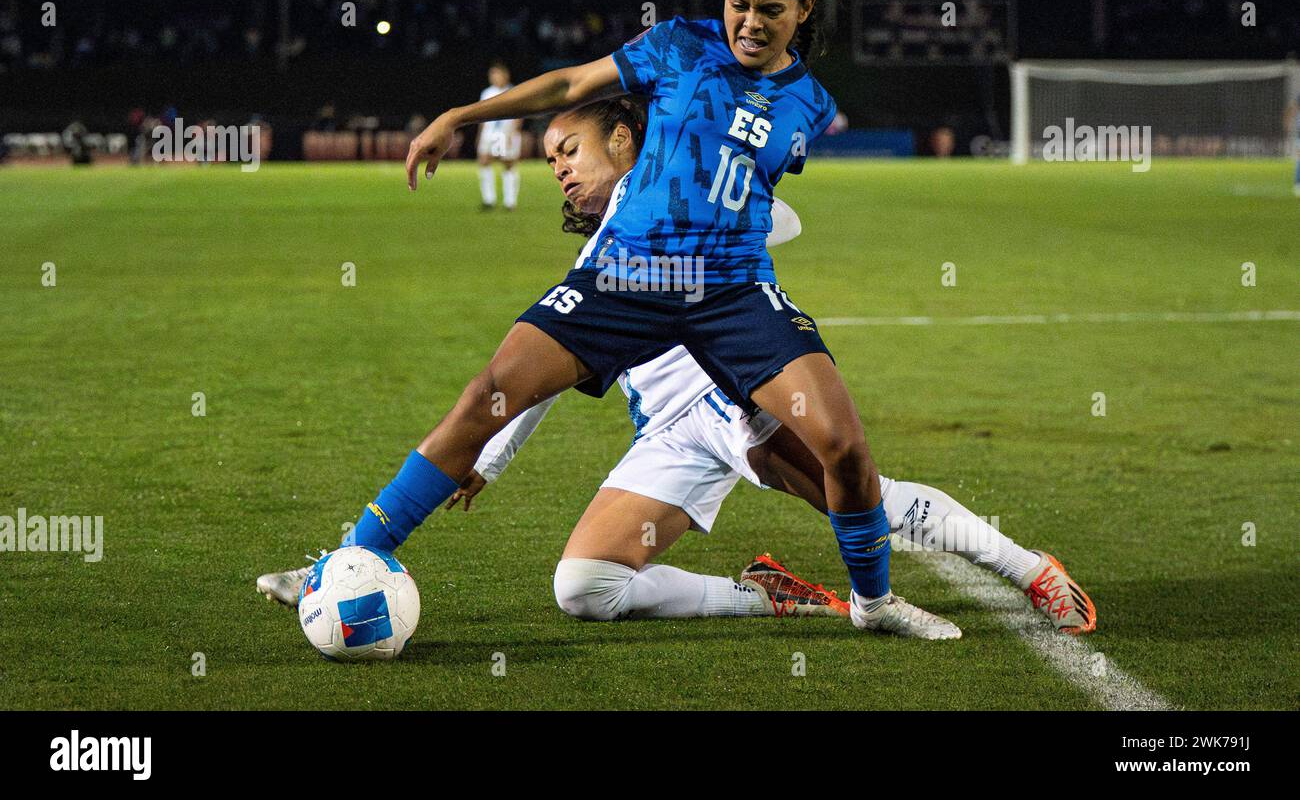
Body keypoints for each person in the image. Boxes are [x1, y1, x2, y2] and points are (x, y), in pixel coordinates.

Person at [258, 98, 1095, 634]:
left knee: (858, 492)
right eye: (550, 159)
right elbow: (536, 390)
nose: (560, 168)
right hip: (667, 432)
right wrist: (490, 458)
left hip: (731, 400)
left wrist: (713, 236)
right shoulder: (603, 249)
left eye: (571, 149)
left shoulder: (669, 199)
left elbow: (786, 219)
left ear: (625, 140)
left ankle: (1031, 570)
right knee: (584, 588)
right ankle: (769, 593)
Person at [333, 0, 953, 639]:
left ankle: (872, 606)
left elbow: (754, 191)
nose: (749, 22)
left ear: (804, 11)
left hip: (729, 288)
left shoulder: (809, 103)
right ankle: (358, 555)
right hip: (629, 275)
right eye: (738, 4)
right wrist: (461, 116)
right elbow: (570, 84)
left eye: (770, 11)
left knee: (841, 444)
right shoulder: (678, 45)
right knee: (488, 394)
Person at [476, 61, 524, 211]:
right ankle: (488, 199)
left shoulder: (513, 91)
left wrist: (513, 132)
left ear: (505, 75)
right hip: (490, 133)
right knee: (484, 161)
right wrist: (480, 134)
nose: (495, 77)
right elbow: (482, 116)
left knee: (508, 164)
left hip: (505, 133)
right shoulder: (486, 93)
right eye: (492, 75)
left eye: (497, 74)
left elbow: (519, 115)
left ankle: (510, 202)